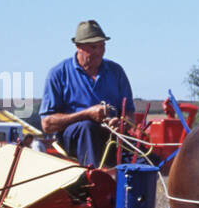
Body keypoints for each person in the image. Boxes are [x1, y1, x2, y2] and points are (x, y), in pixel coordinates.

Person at [39, 20, 135, 167]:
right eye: (93, 47)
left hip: (112, 136)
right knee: (87, 127)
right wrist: (87, 114)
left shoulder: (116, 72)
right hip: (75, 138)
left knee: (148, 160)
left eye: (102, 46)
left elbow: (129, 113)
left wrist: (122, 123)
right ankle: (95, 180)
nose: (99, 52)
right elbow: (47, 124)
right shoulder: (58, 74)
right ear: (78, 47)